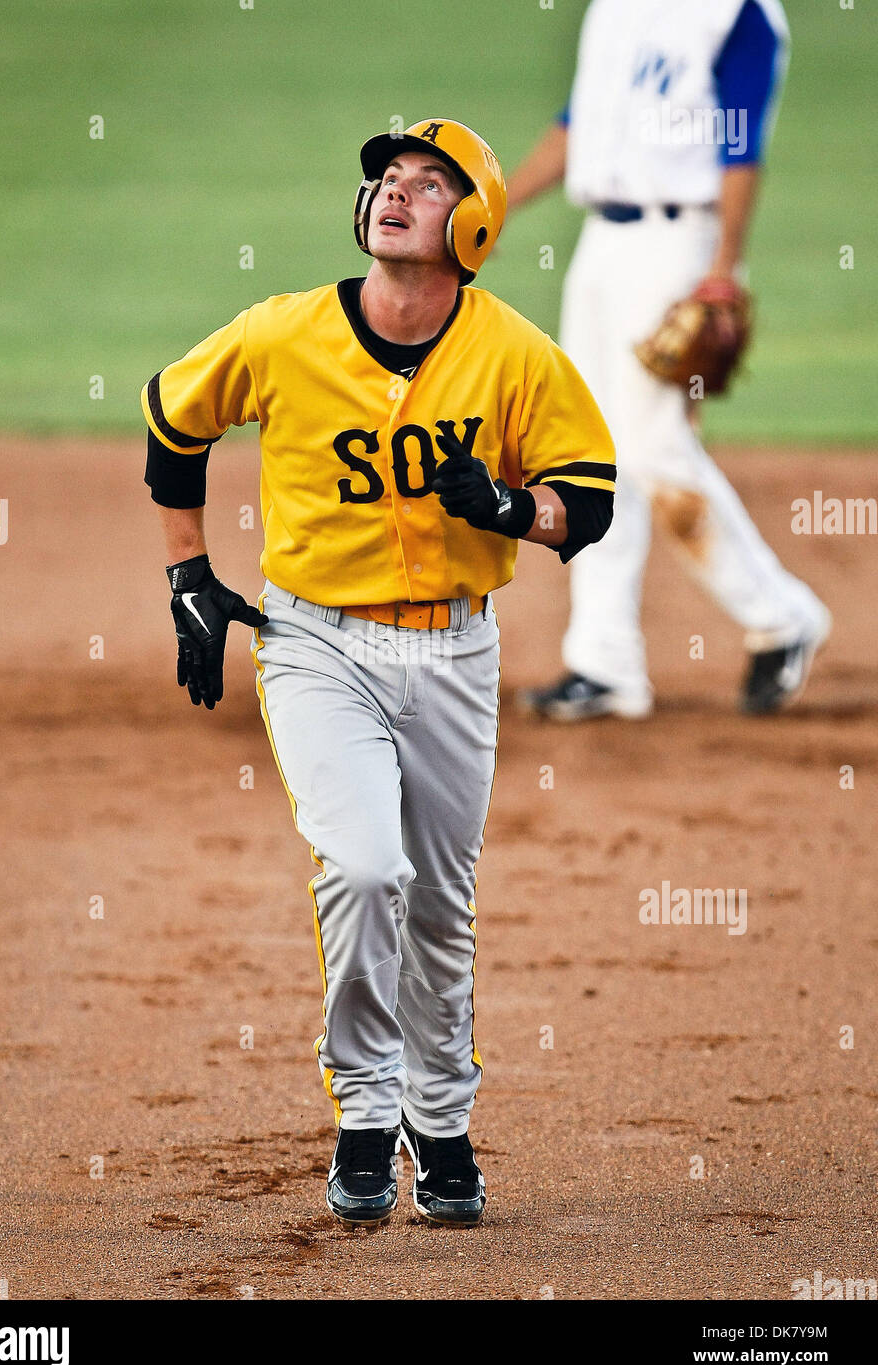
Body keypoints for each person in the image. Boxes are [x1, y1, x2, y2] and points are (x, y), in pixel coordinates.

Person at [141, 119, 616, 1228]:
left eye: (429, 181)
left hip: (455, 647)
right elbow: (174, 413)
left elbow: (584, 501)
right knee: (363, 870)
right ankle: (365, 1109)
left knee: (442, 905)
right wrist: (187, 577)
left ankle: (441, 1121)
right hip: (317, 644)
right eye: (387, 180)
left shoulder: (515, 356)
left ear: (476, 223)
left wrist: (509, 508)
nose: (397, 192)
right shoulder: (286, 330)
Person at [508, 0, 831, 721]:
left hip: (679, 245)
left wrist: (723, 269)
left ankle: (782, 616)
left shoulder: (737, 15)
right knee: (587, 452)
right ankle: (604, 663)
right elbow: (575, 127)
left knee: (654, 448)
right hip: (600, 246)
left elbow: (742, 148)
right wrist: (496, 207)